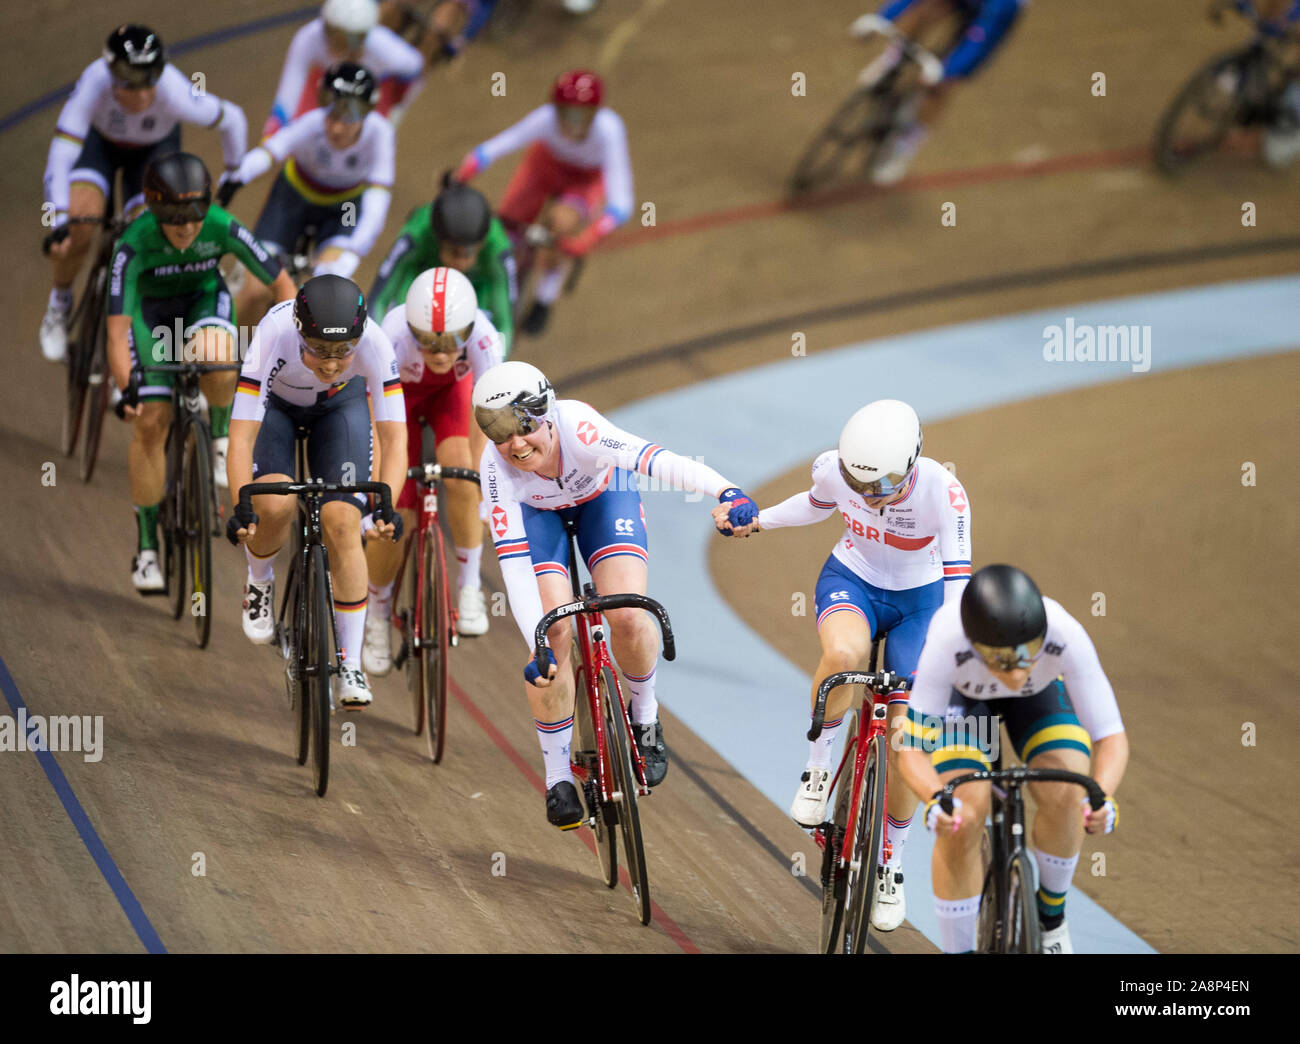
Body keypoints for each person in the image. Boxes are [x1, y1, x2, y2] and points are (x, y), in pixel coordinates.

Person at [473, 361, 758, 827]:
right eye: (500, 435)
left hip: (605, 499)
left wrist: (726, 491)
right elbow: (514, 567)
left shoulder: (581, 426)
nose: (515, 446)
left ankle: (644, 717)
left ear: (545, 413)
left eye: (523, 429)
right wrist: (541, 640)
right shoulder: (494, 468)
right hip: (537, 520)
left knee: (627, 613)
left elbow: (658, 460)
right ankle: (558, 775)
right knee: (555, 633)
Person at [741, 399, 971, 931]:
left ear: (914, 462)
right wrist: (759, 522)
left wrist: (952, 658)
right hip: (853, 580)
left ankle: (890, 861)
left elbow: (957, 588)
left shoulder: (946, 494)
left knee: (909, 734)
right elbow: (815, 503)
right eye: (858, 482)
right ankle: (819, 769)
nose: (868, 495)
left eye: (883, 484)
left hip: (921, 602)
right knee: (844, 657)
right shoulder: (835, 468)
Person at [898, 564, 1129, 954]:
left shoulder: (1065, 633)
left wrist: (1101, 796)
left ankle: (1050, 919)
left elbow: (1110, 736)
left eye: (1029, 654)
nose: (1019, 668)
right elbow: (912, 751)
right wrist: (934, 797)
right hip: (967, 704)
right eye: (1004, 659)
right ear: (975, 645)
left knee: (1071, 787)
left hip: (1037, 700)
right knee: (963, 815)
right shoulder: (946, 640)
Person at [108, 153, 295, 591]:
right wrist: (126, 387)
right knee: (152, 423)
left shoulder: (221, 224)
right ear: (155, 210)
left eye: (195, 216)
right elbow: (117, 333)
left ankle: (220, 436)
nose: (188, 227)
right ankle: (148, 545)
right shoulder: (133, 243)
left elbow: (281, 283)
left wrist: (288, 340)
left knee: (218, 356)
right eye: (175, 218)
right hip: (150, 319)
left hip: (202, 307)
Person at [226, 275, 407, 710]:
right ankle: (260, 580)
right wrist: (240, 504)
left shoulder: (377, 344)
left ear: (359, 337)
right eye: (318, 350)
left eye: (343, 350)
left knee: (343, 523)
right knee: (273, 503)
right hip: (277, 410)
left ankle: (349, 661)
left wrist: (387, 505)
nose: (330, 362)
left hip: (339, 411)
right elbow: (240, 437)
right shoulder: (272, 333)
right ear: (299, 331)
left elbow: (396, 439)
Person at [40, 24, 248, 363]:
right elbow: (61, 155)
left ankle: (135, 341)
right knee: (79, 221)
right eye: (127, 79)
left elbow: (233, 120)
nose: (139, 93)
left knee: (153, 238)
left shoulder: (175, 91)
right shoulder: (94, 81)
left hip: (153, 154)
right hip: (99, 147)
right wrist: (59, 218)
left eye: (148, 77)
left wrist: (236, 172)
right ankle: (59, 303)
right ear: (109, 71)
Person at [362, 267, 504, 675]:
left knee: (462, 472)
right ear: (410, 330)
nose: (441, 354)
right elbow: (379, 430)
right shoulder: (389, 337)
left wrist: (482, 491)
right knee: (397, 512)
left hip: (451, 398)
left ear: (470, 331)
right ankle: (377, 614)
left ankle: (470, 585)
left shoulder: (485, 339)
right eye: (427, 342)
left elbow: (489, 421)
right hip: (397, 401)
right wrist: (376, 500)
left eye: (452, 342)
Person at [453, 70, 632, 335]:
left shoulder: (609, 129)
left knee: (562, 225)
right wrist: (464, 174)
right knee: (505, 227)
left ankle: (543, 299)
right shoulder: (546, 119)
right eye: (563, 112)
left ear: (595, 115)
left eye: (578, 116)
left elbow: (622, 201)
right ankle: (495, 277)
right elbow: (500, 145)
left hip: (583, 182)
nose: (569, 123)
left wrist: (589, 236)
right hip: (544, 167)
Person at [223, 62, 395, 329]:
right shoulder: (311, 123)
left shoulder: (380, 134)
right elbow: (271, 151)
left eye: (350, 115)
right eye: (333, 111)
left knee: (327, 289)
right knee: (255, 290)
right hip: (294, 198)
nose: (336, 127)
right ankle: (228, 354)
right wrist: (238, 176)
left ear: (368, 112)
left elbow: (377, 201)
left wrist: (353, 248)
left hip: (344, 207)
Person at [849, 0, 1025, 184]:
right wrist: (881, 19)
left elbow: (978, 44)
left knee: (941, 86)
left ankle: (905, 145)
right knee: (925, 8)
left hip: (987, 21)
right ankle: (892, 60)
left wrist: (946, 73)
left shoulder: (1004, 5)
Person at [369, 182, 516, 355]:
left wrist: (494, 365)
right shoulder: (418, 232)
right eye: (454, 252)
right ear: (437, 240)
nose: (460, 263)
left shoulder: (498, 249)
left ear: (482, 244)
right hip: (423, 278)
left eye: (468, 254)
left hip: (476, 288)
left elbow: (504, 323)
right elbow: (378, 300)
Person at [263, 0, 424, 139]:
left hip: (374, 83)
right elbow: (289, 90)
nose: (337, 45)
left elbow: (415, 68)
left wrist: (394, 112)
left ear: (365, 37)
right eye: (332, 34)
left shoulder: (387, 52)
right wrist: (273, 132)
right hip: (331, 77)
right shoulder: (309, 37)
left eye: (349, 40)